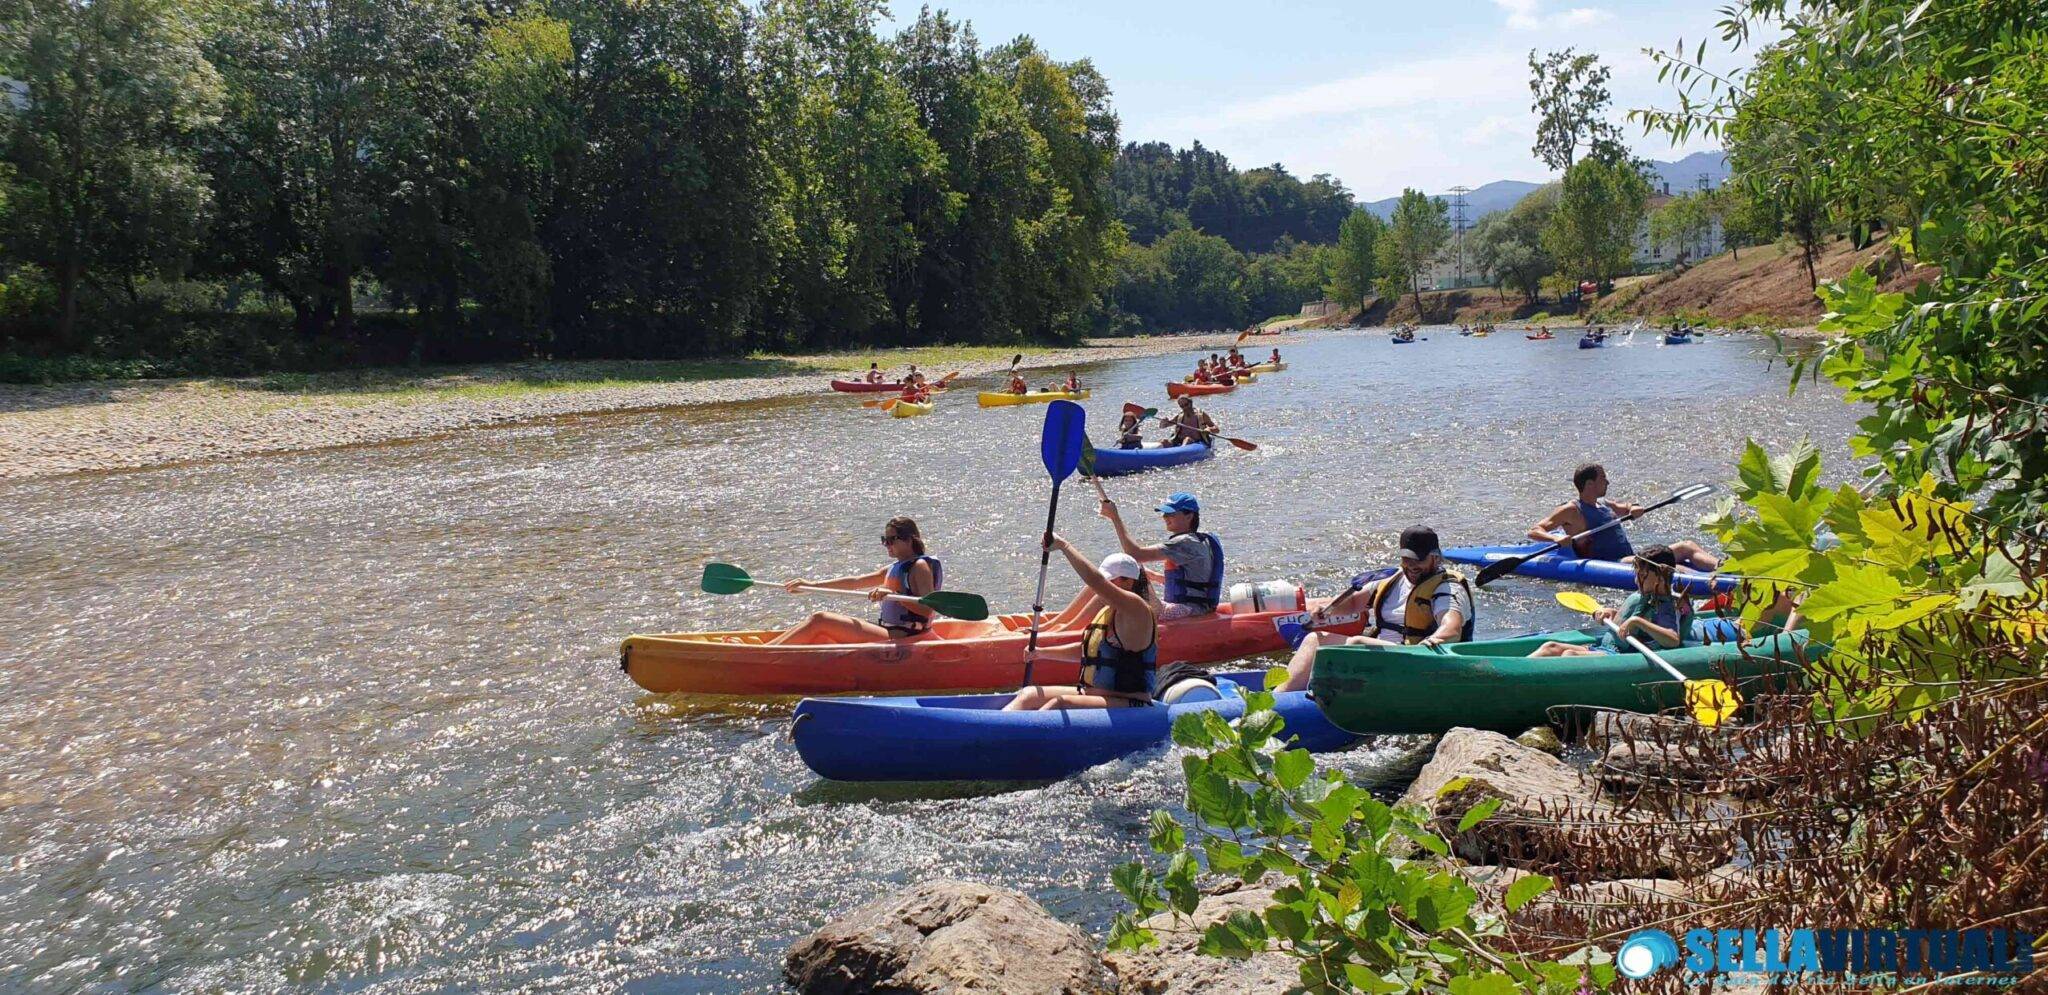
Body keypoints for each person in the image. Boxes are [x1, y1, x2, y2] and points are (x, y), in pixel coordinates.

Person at [1275, 527, 1475, 692]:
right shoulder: (1392, 580)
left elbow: (1452, 627)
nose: (1411, 566)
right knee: (1314, 639)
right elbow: (1353, 603)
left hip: (1420, 660)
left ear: (1436, 558)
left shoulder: (1448, 589)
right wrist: (1326, 612)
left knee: (1357, 642)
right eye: (1407, 559)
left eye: (1418, 560)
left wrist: (1430, 643)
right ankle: (1282, 697)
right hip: (1385, 658)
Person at [1005, 539, 1158, 710]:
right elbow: (1090, 652)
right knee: (1029, 694)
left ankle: (1020, 734)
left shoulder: (1137, 609)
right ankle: (998, 728)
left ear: (1128, 582)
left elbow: (1096, 581)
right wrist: (1041, 653)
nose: (1102, 589)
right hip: (1096, 695)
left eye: (1110, 582)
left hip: (1131, 703)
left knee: (1061, 703)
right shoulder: (1108, 611)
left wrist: (1065, 546)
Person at [766, 518, 941, 644]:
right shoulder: (895, 567)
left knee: (821, 619)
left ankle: (765, 652)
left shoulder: (920, 566)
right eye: (884, 540)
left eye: (891, 540)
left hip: (904, 636)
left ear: (909, 540)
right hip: (890, 632)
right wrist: (811, 585)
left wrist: (894, 595)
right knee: (818, 621)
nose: (886, 545)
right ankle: (767, 648)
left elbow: (927, 609)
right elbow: (855, 581)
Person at [1527, 464, 1720, 569]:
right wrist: (1555, 537)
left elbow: (1627, 507)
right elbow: (1535, 530)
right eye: (1603, 478)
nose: (1608, 482)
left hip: (1630, 557)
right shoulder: (1571, 510)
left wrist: (1635, 508)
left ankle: (1725, 568)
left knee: (1687, 546)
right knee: (1667, 566)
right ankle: (1718, 583)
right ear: (1589, 484)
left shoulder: (1604, 504)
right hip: (1612, 564)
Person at [1530, 545, 1693, 657]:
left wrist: (1636, 621)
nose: (1637, 579)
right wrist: (1612, 613)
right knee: (1550, 647)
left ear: (1660, 575)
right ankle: (1507, 681)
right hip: (1605, 648)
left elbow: (1672, 639)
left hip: (1622, 656)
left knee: (1568, 655)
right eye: (1636, 574)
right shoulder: (1645, 597)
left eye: (1642, 575)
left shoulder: (1666, 605)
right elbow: (1633, 620)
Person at [1099, 491, 1223, 620]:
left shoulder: (1186, 542)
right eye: (1164, 513)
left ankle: (1078, 628)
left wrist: (1115, 518)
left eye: (1171, 513)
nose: (1165, 517)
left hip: (1190, 611)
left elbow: (1134, 554)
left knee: (1107, 579)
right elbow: (1195, 579)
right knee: (1111, 575)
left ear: (1189, 516)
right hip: (1197, 608)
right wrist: (1155, 576)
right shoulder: (1199, 539)